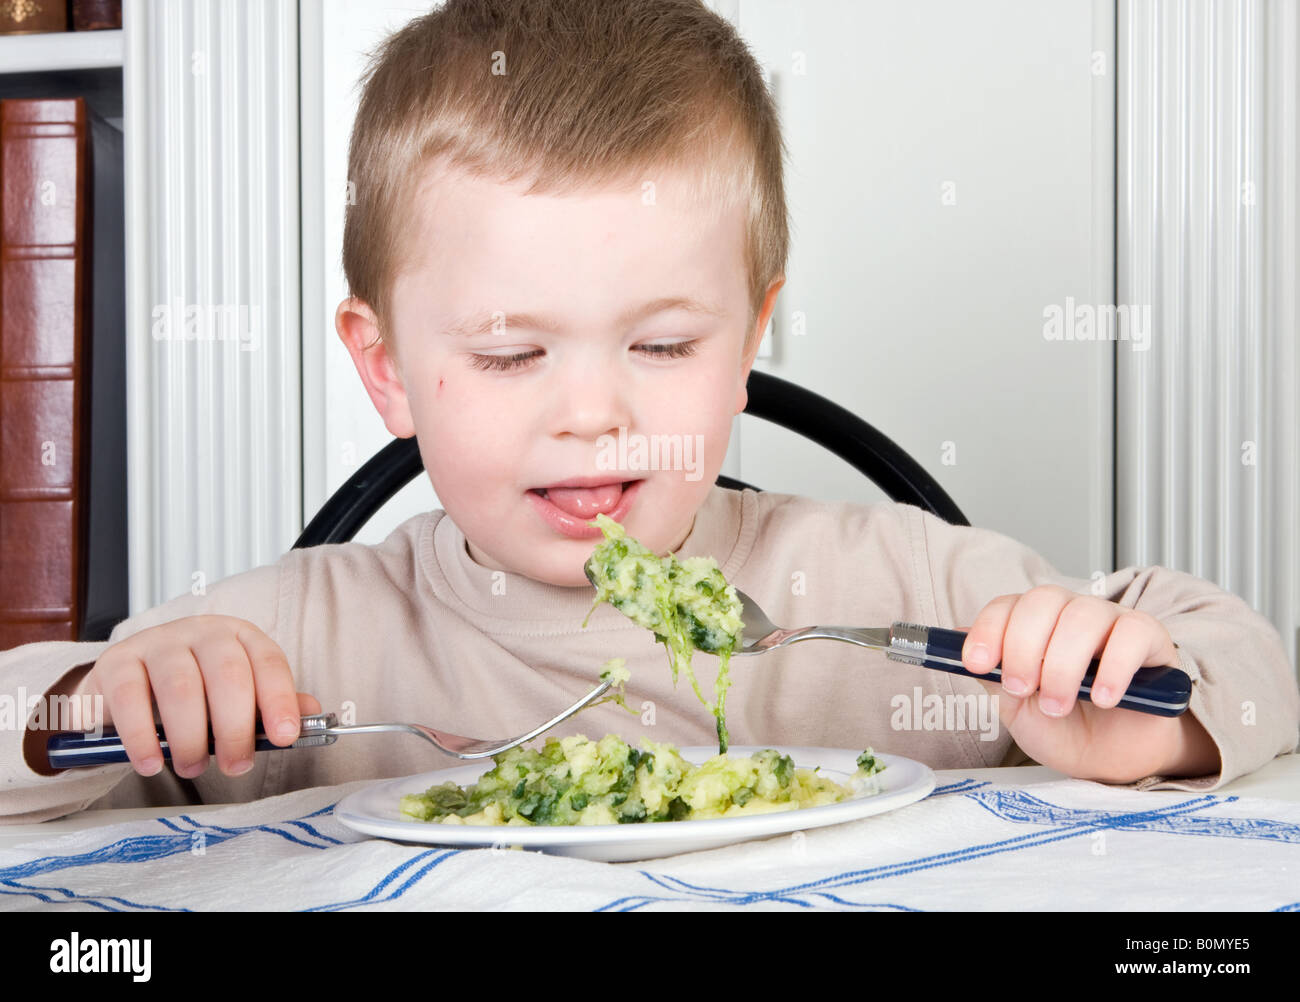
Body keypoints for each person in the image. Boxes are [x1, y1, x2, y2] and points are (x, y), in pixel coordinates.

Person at [2, 0, 1295, 824]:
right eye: (510, 354)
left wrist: (1144, 712)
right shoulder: (305, 638)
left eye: (665, 343)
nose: (594, 415)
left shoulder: (884, 587)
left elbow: (1238, 652)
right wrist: (106, 696)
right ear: (387, 368)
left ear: (750, 344)